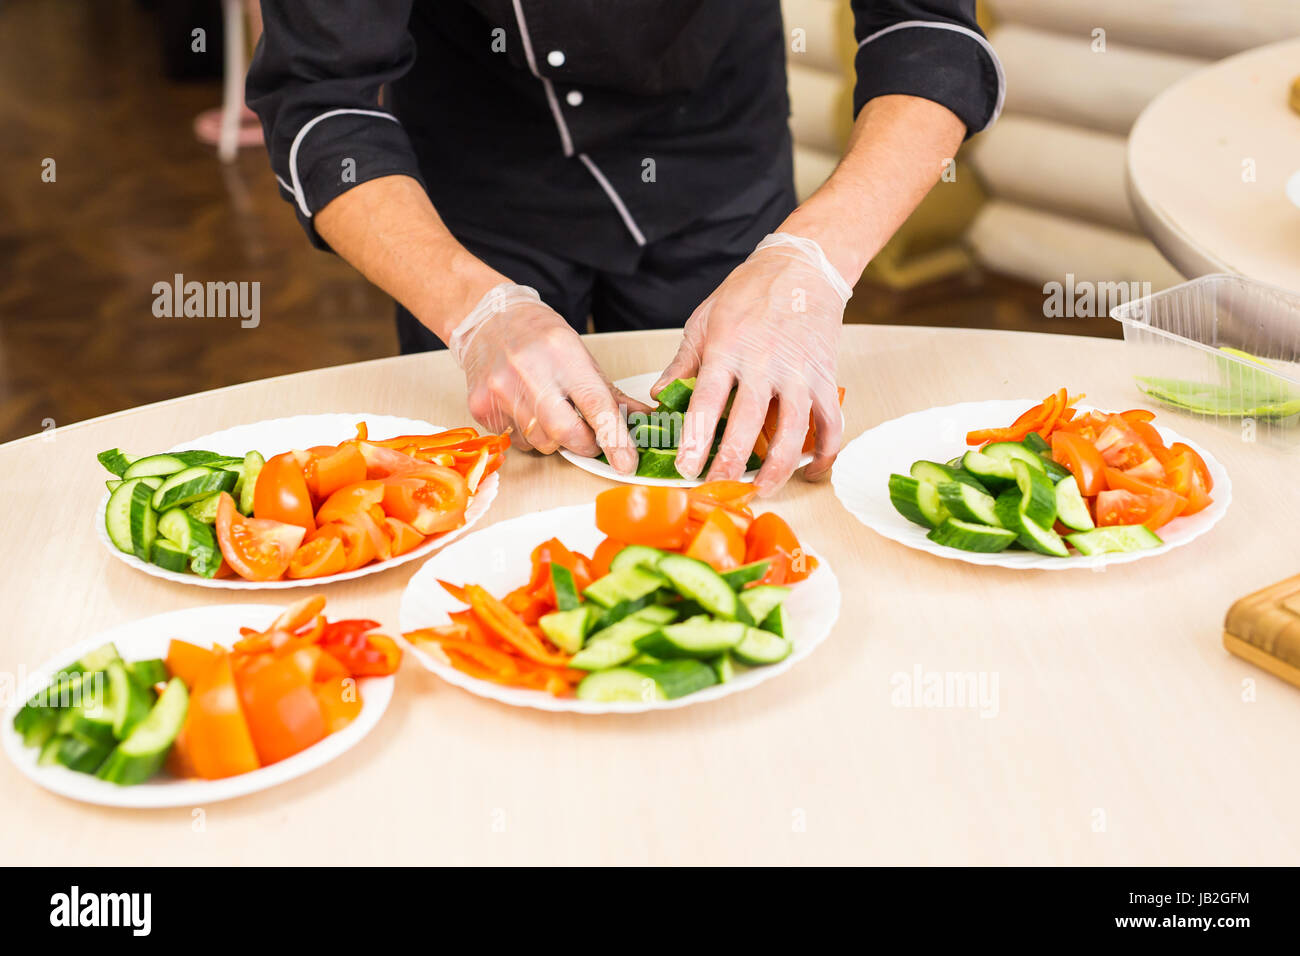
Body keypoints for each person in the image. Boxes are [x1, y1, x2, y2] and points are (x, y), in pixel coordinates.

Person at [247, 1, 1002, 494]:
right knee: (508, 501)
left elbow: (926, 35)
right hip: (480, 189)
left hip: (719, 149)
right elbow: (320, 98)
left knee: (746, 492)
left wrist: (813, 259)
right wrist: (475, 311)